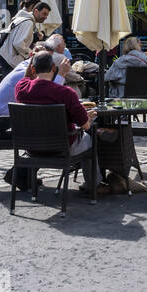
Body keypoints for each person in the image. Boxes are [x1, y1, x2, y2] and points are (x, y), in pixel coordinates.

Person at [14, 51, 98, 190]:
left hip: (32, 147)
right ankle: (93, 185)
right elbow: (85, 126)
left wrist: (33, 60)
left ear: (33, 69)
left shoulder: (21, 88)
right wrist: (87, 118)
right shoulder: (65, 93)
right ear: (54, 68)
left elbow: (27, 77)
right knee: (91, 138)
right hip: (62, 147)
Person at [0, 42, 61, 139]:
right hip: (1, 126)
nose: (48, 63)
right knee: (47, 131)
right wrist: (61, 75)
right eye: (45, 59)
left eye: (49, 59)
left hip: (1, 121)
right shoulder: (24, 73)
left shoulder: (23, 66)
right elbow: (48, 94)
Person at [0, 0, 50, 71]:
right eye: (44, 14)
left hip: (6, 56)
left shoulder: (24, 19)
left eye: (47, 15)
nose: (46, 17)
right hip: (10, 59)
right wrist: (31, 53)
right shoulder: (28, 22)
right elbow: (18, 43)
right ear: (36, 11)